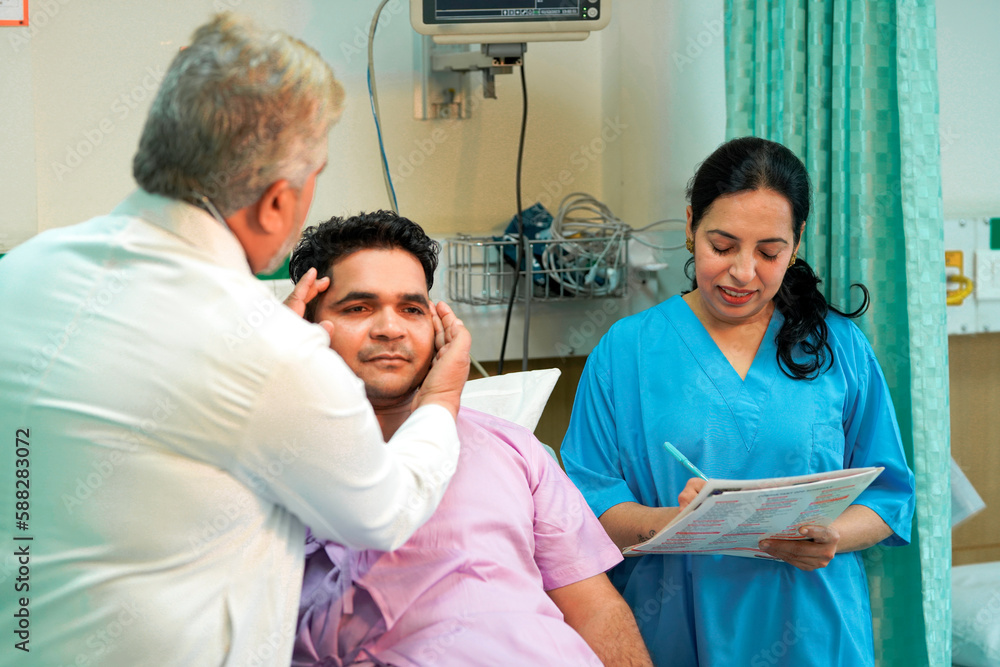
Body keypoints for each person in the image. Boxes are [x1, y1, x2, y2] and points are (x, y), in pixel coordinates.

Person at [0, 15, 469, 667]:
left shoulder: (21, 273)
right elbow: (383, 512)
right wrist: (442, 396)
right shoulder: (267, 351)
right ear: (277, 203)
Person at [560, 136, 916, 666]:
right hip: (675, 624)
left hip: (815, 631)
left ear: (795, 245)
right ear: (689, 227)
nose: (743, 273)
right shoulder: (626, 351)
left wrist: (831, 536)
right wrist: (676, 525)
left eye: (769, 252)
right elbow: (588, 502)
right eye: (722, 246)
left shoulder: (839, 347)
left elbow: (889, 495)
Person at [284, 211, 653, 667]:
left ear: (438, 328)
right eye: (358, 308)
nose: (390, 328)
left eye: (411, 309)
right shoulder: (272, 465)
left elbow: (595, 610)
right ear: (306, 327)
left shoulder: (515, 450)